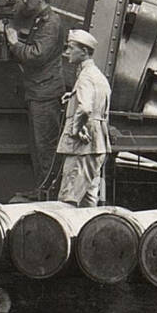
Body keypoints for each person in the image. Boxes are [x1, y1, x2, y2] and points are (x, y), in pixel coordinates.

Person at [0, 0, 67, 192]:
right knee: (38, 147)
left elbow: (35, 56)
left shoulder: (50, 23)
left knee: (45, 147)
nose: (25, 1)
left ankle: (48, 194)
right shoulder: (40, 18)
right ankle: (42, 189)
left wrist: (12, 41)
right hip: (38, 91)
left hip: (45, 93)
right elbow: (22, 10)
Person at [55, 29, 111, 208]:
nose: (67, 52)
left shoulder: (85, 77)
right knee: (88, 201)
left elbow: (85, 108)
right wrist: (72, 97)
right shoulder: (98, 76)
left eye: (71, 48)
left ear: (84, 51)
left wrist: (76, 130)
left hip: (82, 148)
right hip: (96, 145)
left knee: (68, 200)